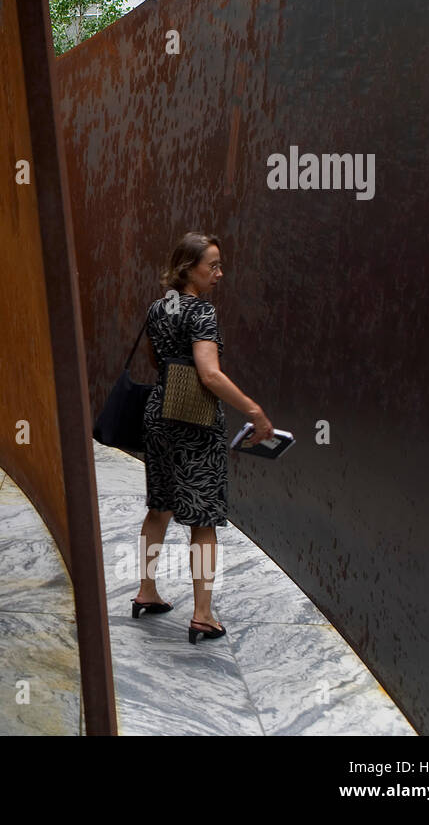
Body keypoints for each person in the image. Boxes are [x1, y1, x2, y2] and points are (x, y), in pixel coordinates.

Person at [132, 232, 274, 643]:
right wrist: (254, 411)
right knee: (203, 518)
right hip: (194, 420)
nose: (219, 272)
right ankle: (202, 614)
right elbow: (209, 374)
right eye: (211, 265)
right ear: (187, 268)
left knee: (160, 506)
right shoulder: (203, 313)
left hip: (159, 412)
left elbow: (157, 359)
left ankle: (146, 590)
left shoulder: (159, 307)